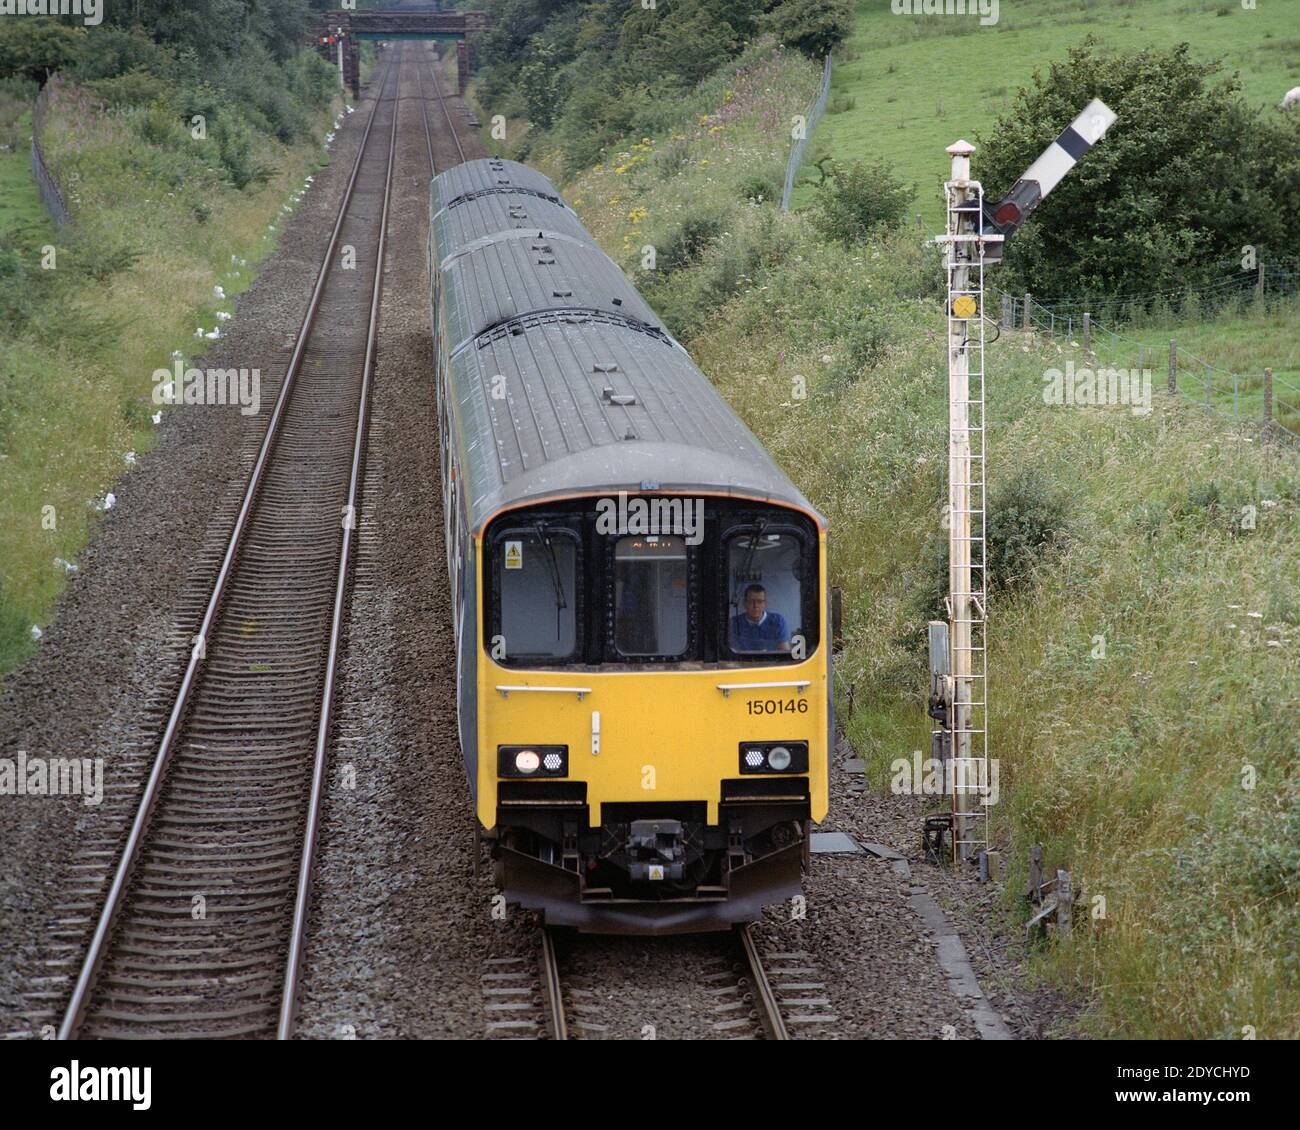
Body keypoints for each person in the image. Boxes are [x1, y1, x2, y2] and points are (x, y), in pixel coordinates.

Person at [730, 584, 790, 653]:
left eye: (760, 602)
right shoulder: (734, 623)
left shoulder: (778, 621)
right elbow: (731, 651)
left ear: (765, 604)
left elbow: (784, 651)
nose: (756, 606)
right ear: (744, 603)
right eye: (751, 601)